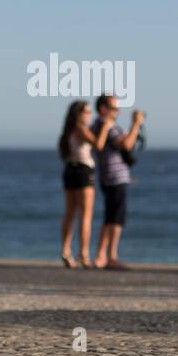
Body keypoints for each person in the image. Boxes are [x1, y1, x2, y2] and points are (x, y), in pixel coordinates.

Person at [91, 94, 144, 270]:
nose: (117, 112)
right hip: (113, 177)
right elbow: (127, 145)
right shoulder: (106, 127)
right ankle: (109, 256)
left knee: (112, 217)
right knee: (114, 218)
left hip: (113, 176)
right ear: (103, 109)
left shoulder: (103, 126)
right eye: (114, 108)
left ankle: (104, 256)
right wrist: (136, 124)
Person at [58, 101, 98, 268]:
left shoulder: (67, 130)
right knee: (86, 214)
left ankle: (66, 251)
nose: (89, 115)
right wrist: (106, 127)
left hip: (70, 169)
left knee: (70, 213)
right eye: (87, 112)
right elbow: (98, 143)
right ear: (79, 114)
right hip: (83, 170)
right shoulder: (81, 129)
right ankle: (84, 253)